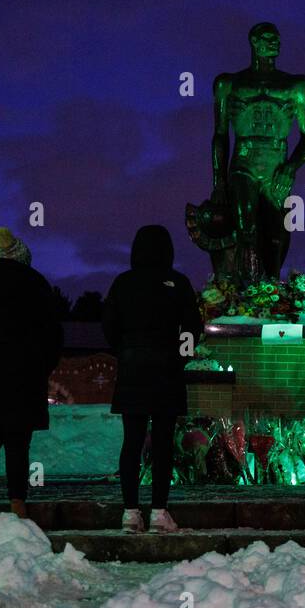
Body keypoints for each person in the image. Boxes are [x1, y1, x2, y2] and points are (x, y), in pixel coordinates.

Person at [103, 224, 203, 533]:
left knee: (131, 442)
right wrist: (180, 355)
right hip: (167, 372)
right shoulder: (179, 283)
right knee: (163, 444)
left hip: (133, 370)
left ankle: (130, 512)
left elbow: (109, 326)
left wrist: (127, 350)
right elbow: (192, 328)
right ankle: (160, 511)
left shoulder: (123, 283)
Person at [0, 227, 62, 518]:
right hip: (25, 379)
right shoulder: (39, 292)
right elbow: (54, 336)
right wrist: (42, 366)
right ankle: (18, 506)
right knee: (19, 443)